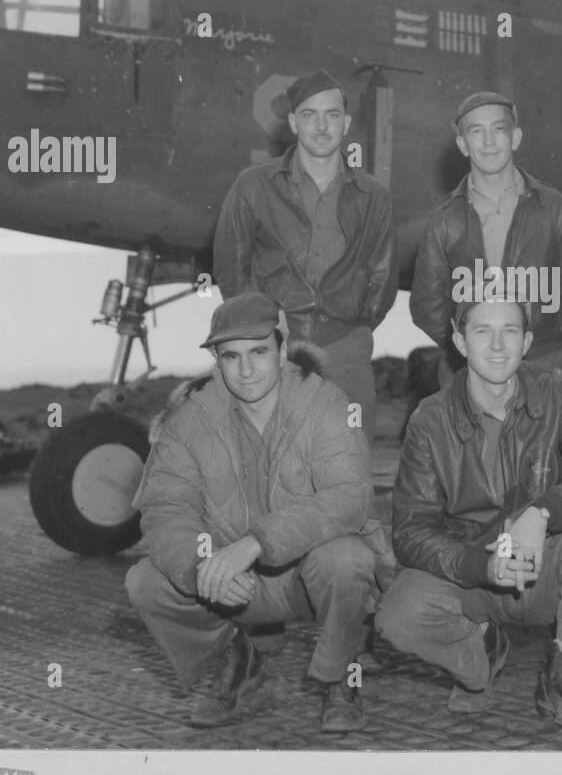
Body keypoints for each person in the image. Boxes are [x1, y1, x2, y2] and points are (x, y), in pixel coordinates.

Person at [376, 295, 562, 728]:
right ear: (460, 341)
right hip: (474, 574)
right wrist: (482, 566)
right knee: (397, 615)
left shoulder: (556, 392)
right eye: (483, 332)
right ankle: (478, 650)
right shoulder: (430, 419)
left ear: (527, 340)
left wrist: (542, 513)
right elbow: (411, 530)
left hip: (543, 567)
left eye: (510, 331)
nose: (497, 346)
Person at [125, 292, 375, 733]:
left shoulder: (327, 404)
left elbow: (349, 497)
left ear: (281, 348)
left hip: (304, 575)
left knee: (347, 558)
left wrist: (256, 543)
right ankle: (235, 657)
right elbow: (166, 508)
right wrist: (200, 565)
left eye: (259, 351)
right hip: (232, 583)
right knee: (146, 580)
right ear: (216, 361)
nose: (245, 369)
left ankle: (340, 677)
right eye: (230, 356)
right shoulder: (191, 419)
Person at [213, 68, 397, 443]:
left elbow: (383, 277)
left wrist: (351, 329)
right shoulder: (252, 187)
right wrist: (264, 328)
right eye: (310, 115)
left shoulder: (373, 195)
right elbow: (231, 268)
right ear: (294, 123)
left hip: (346, 349)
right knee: (268, 464)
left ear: (346, 124)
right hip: (274, 346)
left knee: (350, 464)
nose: (321, 126)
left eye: (331, 115)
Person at [410, 90, 562, 384]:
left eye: (499, 129)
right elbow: (426, 305)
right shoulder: (443, 218)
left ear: (516, 137)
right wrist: (470, 350)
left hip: (542, 369)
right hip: (467, 373)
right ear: (462, 144)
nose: (489, 141)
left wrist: (543, 346)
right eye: (476, 131)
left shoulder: (553, 207)